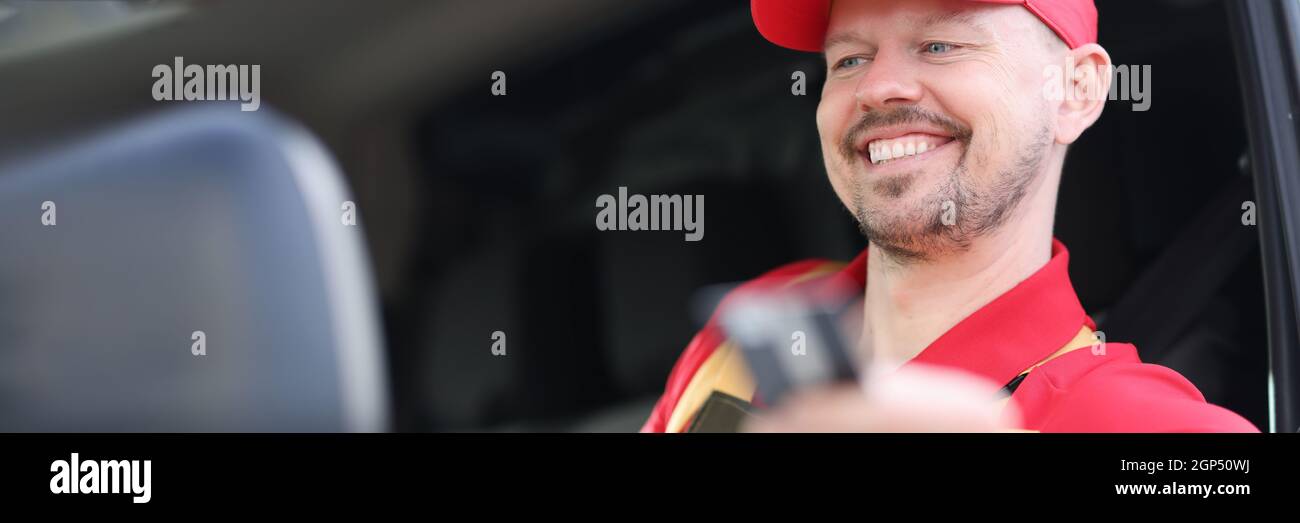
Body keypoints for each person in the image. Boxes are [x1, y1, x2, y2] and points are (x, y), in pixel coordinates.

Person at [641, 0, 1260, 433]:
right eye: (850, 59)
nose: (878, 87)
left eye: (940, 45)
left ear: (1077, 91)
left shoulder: (1150, 430)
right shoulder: (762, 319)